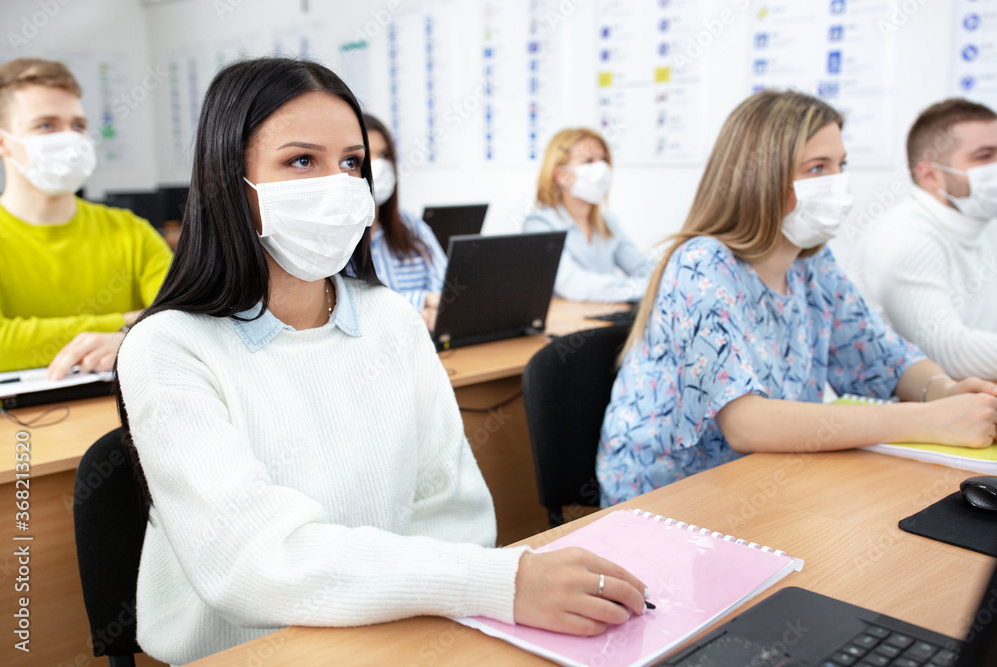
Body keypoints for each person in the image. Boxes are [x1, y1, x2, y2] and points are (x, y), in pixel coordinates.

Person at [115, 58, 648, 665]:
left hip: (400, 633)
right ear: (227, 182)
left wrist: (422, 619)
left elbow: (455, 510)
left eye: (350, 163)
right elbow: (255, 564)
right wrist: (498, 582)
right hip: (250, 652)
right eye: (300, 160)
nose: (338, 183)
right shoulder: (170, 349)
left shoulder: (391, 319)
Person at [597, 90, 997, 508]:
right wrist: (928, 420)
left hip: (764, 481)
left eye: (840, 165)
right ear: (762, 175)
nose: (837, 181)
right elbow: (747, 423)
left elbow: (885, 356)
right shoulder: (701, 264)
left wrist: (943, 391)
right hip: (670, 499)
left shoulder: (812, 263)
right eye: (817, 168)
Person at [0, 58, 171, 377]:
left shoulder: (131, 230)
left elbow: (184, 319)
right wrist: (129, 324)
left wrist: (123, 338)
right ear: (4, 142)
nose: (70, 139)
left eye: (78, 125)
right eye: (46, 125)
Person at [851, 99, 997, 379]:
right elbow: (948, 353)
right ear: (930, 175)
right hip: (906, 412)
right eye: (985, 156)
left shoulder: (986, 225)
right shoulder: (907, 236)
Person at [523, 128, 654, 302]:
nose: (601, 169)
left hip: (610, 320)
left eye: (604, 160)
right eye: (588, 161)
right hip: (570, 324)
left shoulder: (608, 223)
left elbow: (643, 267)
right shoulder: (539, 225)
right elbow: (574, 286)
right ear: (562, 175)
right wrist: (642, 287)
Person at [362, 114, 447, 330]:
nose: (378, 166)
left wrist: (434, 308)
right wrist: (422, 300)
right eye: (366, 157)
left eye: (384, 155)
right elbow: (362, 305)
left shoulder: (410, 224)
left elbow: (444, 280)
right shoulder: (336, 239)